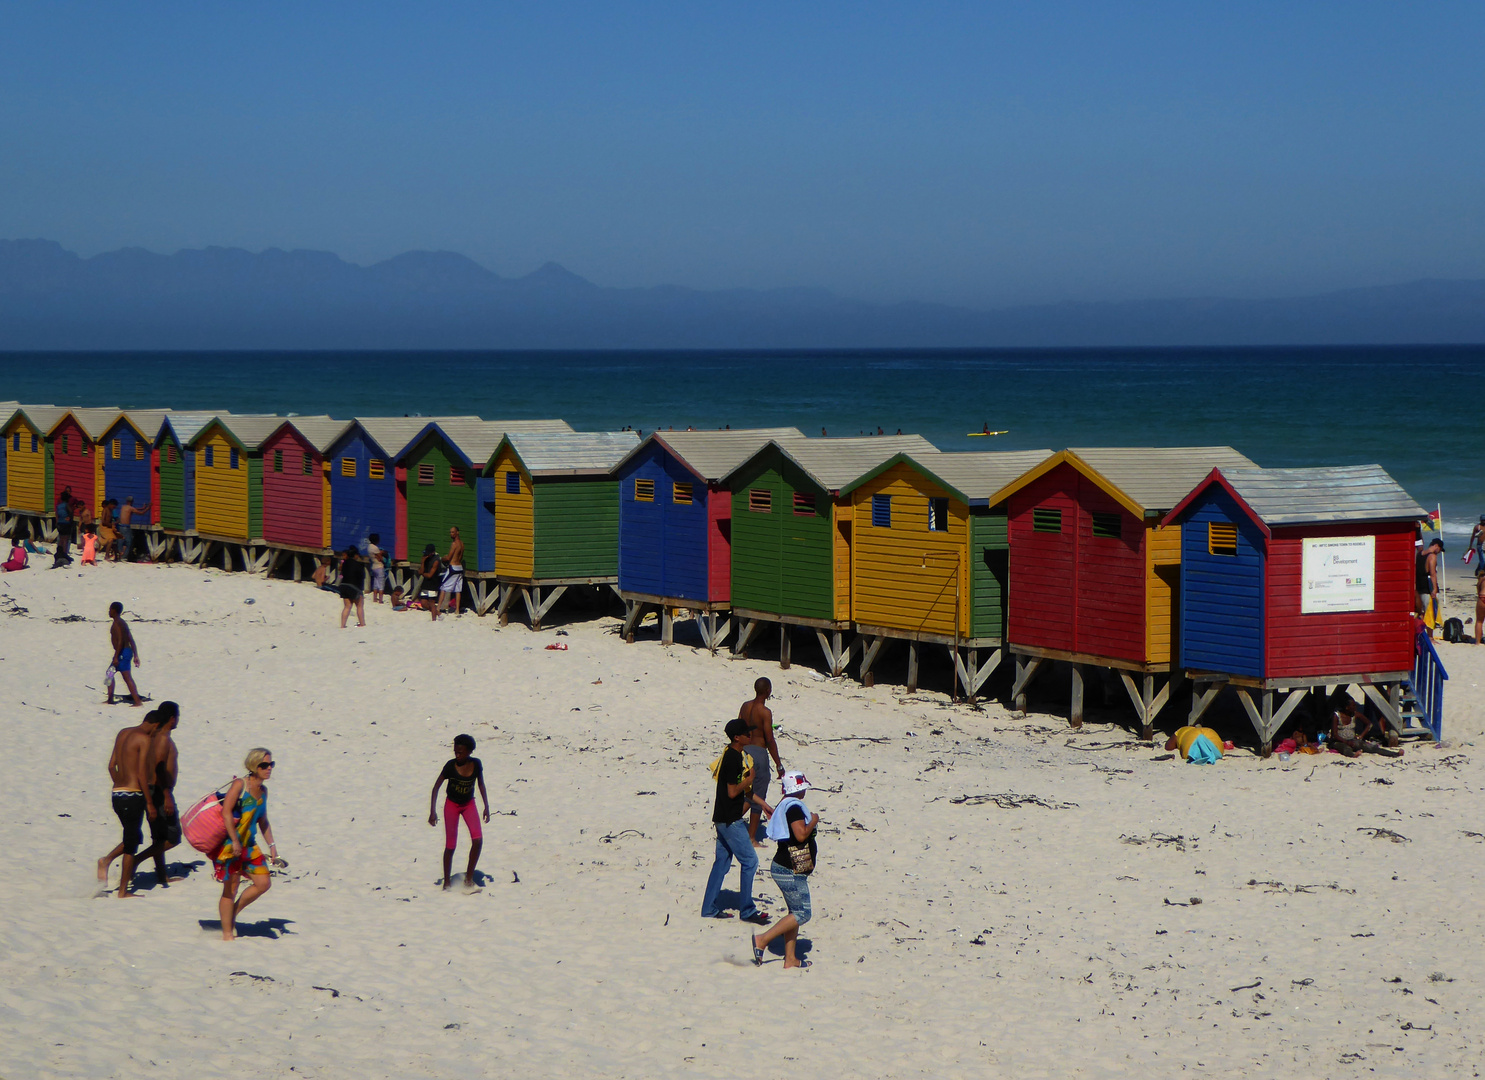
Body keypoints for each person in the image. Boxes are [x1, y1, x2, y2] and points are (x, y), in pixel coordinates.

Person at [701, 718, 773, 924]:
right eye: (746, 734)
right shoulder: (733, 758)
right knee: (750, 861)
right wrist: (750, 780)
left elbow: (745, 793)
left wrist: (764, 804)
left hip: (722, 818)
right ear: (737, 737)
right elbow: (733, 792)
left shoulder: (735, 755)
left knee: (722, 863)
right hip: (730, 820)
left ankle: (708, 908)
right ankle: (748, 910)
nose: (750, 736)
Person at [750, 770, 819, 970]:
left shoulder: (784, 805)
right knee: (803, 913)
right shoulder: (795, 809)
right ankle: (762, 940)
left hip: (783, 866)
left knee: (794, 913)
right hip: (790, 869)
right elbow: (800, 835)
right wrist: (813, 819)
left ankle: (790, 959)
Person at [214, 748, 280, 941]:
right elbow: (226, 812)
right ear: (254, 766)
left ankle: (233, 913)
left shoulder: (263, 791)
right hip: (230, 845)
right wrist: (234, 840)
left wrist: (272, 845)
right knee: (231, 888)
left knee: (263, 883)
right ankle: (227, 934)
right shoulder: (240, 785)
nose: (269, 769)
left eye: (271, 764)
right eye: (264, 765)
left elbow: (263, 820)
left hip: (249, 846)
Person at [96, 710, 162, 897]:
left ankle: (107, 861)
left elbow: (111, 766)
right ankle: (122, 890)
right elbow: (141, 774)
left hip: (117, 793)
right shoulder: (144, 739)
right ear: (155, 725)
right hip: (134, 795)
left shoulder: (123, 733)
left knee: (133, 837)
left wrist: (120, 784)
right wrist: (149, 803)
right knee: (132, 843)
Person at [428, 734, 491, 890]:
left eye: (460, 753)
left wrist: (486, 807)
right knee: (451, 846)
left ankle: (469, 879)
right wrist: (432, 812)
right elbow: (436, 787)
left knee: (478, 840)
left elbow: (481, 785)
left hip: (469, 804)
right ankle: (447, 884)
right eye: (455, 752)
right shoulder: (450, 766)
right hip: (452, 806)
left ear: (469, 752)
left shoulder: (476, 765)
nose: (457, 755)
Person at [135, 701, 183, 886]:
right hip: (160, 791)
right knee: (173, 837)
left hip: (153, 789)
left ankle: (162, 876)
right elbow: (159, 768)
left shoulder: (152, 737)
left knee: (158, 837)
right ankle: (137, 860)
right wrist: (167, 794)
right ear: (172, 718)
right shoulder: (163, 739)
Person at [739, 677, 784, 844]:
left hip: (743, 751)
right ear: (768, 691)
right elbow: (769, 739)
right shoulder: (765, 712)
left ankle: (731, 820)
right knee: (758, 795)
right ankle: (752, 838)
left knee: (745, 792)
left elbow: (738, 727)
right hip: (758, 753)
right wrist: (779, 764)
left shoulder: (745, 706)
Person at [106, 601, 145, 707]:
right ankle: (110, 699)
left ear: (114, 610)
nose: (109, 611)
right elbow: (130, 639)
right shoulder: (122, 622)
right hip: (126, 652)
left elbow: (120, 641)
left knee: (126, 677)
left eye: (110, 609)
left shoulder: (117, 624)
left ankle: (137, 702)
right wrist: (135, 655)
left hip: (122, 653)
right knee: (109, 673)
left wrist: (116, 657)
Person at [437, 526, 465, 618]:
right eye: (450, 532)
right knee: (458, 590)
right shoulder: (462, 544)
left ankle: (438, 608)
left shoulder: (454, 544)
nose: (451, 534)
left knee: (443, 587)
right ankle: (457, 610)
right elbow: (460, 557)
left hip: (453, 567)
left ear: (458, 532)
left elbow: (449, 558)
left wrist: (442, 558)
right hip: (459, 568)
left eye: (453, 532)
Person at [338, 546, 367, 628]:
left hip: (344, 585)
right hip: (354, 586)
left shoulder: (344, 563)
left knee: (347, 606)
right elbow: (362, 576)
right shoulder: (359, 565)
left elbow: (341, 574)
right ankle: (362, 623)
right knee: (359, 605)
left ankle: (342, 625)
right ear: (356, 555)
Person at [1417, 536, 1443, 625]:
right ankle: (1430, 637)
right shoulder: (1432, 556)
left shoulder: (1419, 554)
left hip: (1419, 586)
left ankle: (1419, 633)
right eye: (1439, 549)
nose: (1439, 552)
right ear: (1436, 546)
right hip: (1428, 587)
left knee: (1422, 612)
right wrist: (1435, 589)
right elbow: (1432, 574)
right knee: (1430, 613)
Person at [118, 496, 148, 562]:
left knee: (121, 541)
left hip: (121, 526)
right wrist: (148, 508)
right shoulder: (131, 508)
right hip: (126, 527)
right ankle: (124, 557)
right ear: (131, 502)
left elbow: (133, 509)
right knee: (129, 542)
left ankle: (119, 555)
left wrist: (142, 508)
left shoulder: (123, 507)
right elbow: (141, 513)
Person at [419, 543, 442, 619]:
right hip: (426, 582)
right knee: (423, 603)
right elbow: (421, 571)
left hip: (433, 583)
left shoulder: (436, 560)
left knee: (432, 603)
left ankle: (434, 619)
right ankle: (437, 613)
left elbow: (430, 575)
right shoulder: (425, 558)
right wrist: (422, 562)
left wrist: (423, 573)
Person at [53, 486, 73, 567]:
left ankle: (59, 553)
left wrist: (57, 522)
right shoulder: (66, 505)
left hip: (60, 523)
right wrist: (69, 518)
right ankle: (64, 554)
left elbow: (57, 515)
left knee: (60, 539)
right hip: (65, 523)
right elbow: (71, 512)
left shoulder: (58, 506)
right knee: (65, 539)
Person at [366, 533, 387, 603]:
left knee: (375, 583)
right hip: (379, 566)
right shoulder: (375, 548)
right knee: (381, 584)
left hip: (373, 566)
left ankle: (375, 599)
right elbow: (380, 558)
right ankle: (380, 600)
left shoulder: (369, 547)